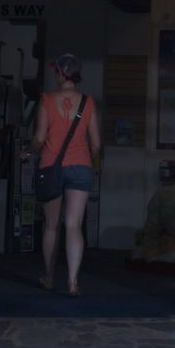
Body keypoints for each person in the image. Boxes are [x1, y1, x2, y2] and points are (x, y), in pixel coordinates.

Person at [32, 53, 101, 296]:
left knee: (51, 226)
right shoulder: (88, 102)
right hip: (81, 167)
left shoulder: (46, 100)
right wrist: (88, 162)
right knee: (74, 226)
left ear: (61, 73)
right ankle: (72, 282)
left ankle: (49, 277)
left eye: (56, 71)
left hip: (52, 166)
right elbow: (96, 144)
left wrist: (31, 150)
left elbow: (40, 138)